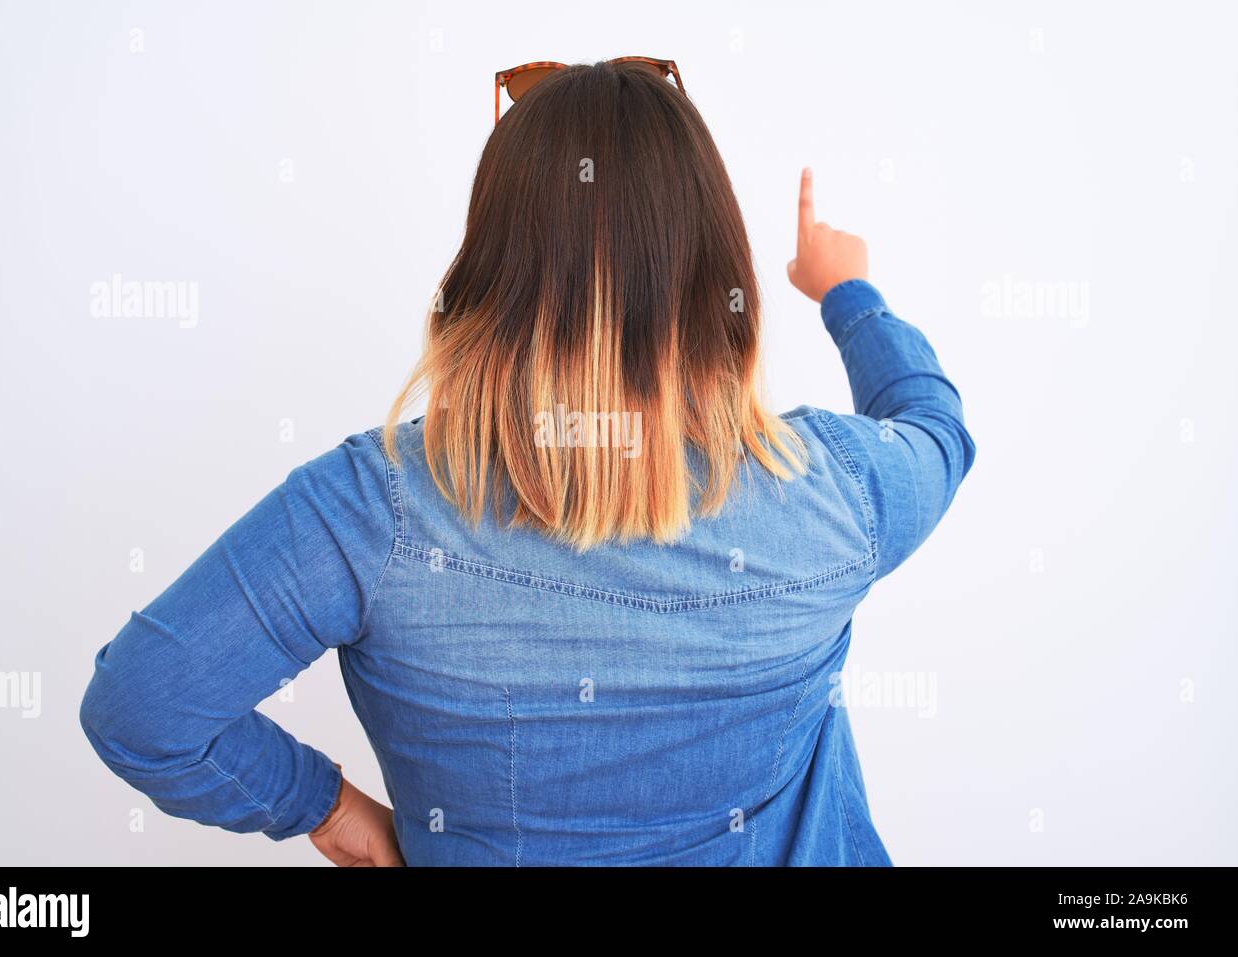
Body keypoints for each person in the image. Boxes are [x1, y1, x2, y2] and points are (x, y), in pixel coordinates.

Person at [80, 60, 975, 866]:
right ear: (712, 270)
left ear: (491, 267)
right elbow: (935, 426)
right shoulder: (834, 493)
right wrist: (847, 291)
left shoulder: (368, 510)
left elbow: (142, 708)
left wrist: (323, 807)